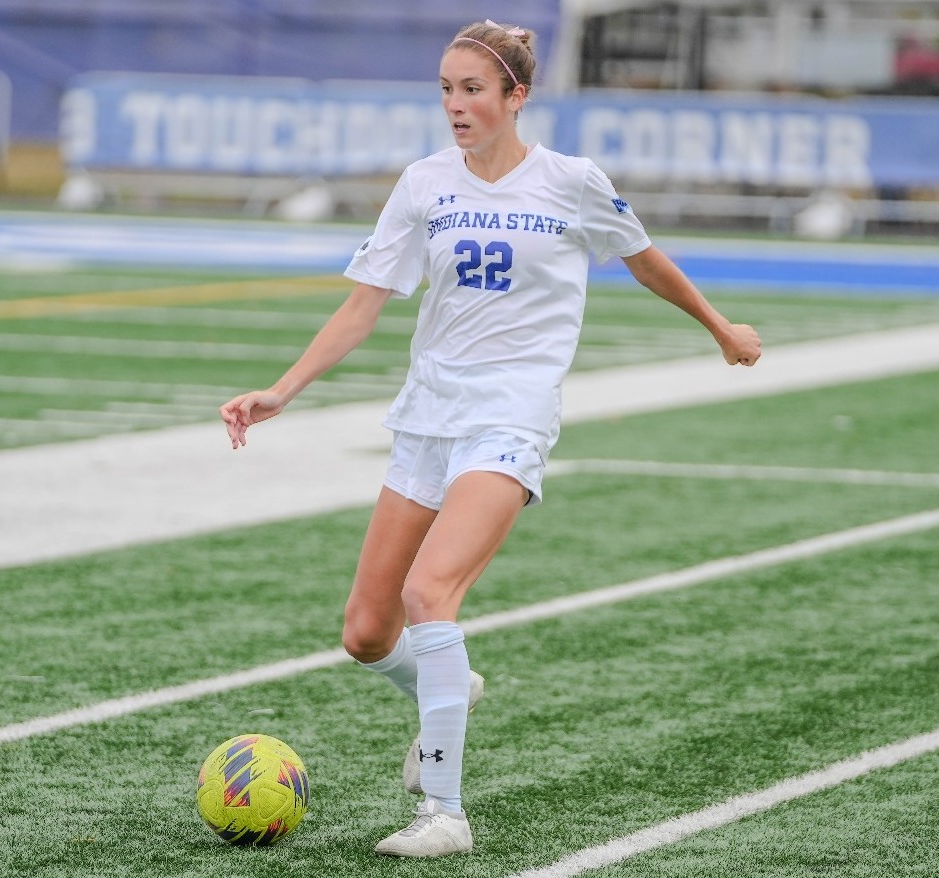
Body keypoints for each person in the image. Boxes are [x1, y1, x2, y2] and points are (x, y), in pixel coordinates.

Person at [219, 19, 761, 858]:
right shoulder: (424, 184)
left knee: (430, 593)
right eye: (446, 88)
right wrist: (282, 391)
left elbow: (643, 256)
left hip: (511, 416)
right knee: (366, 632)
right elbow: (364, 304)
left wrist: (720, 328)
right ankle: (451, 685)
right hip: (427, 417)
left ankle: (445, 814)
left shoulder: (571, 182)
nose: (456, 104)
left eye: (472, 89)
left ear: (517, 96)